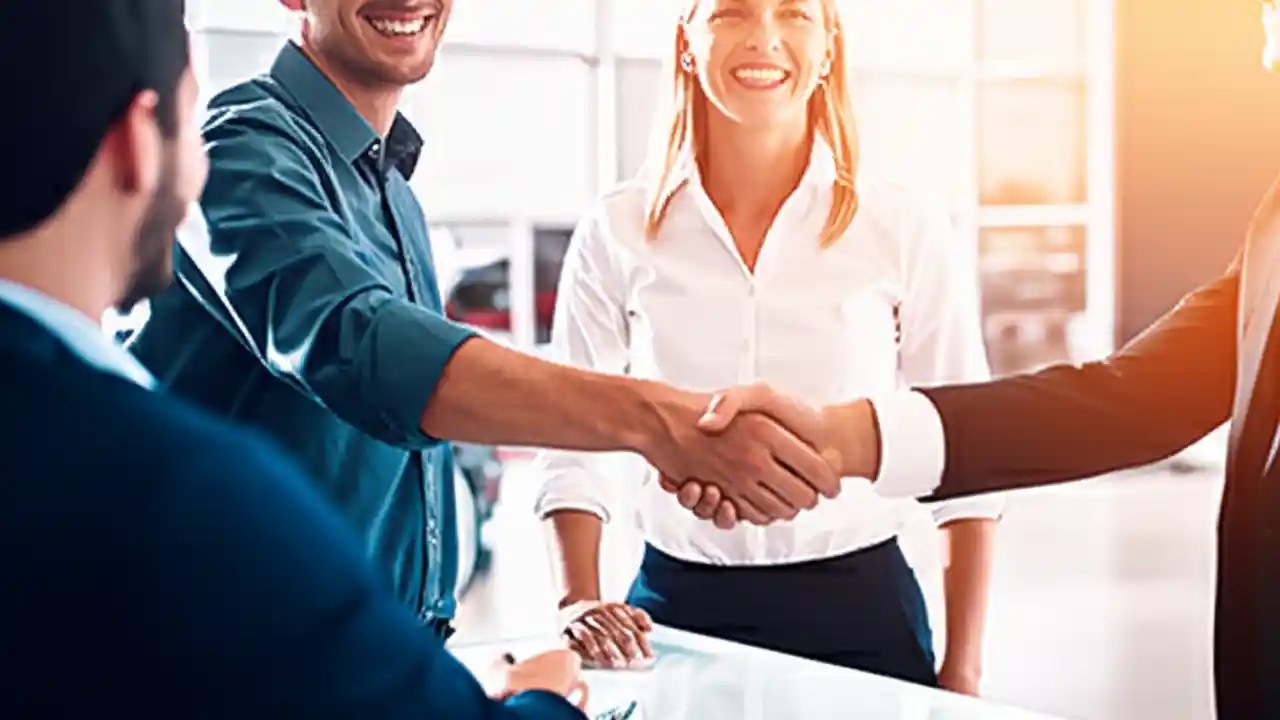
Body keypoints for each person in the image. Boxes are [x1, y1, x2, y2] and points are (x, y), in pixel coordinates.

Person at [126, 0, 841, 639]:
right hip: (242, 666)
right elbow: (364, 350)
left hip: (369, 654)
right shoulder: (243, 150)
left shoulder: (389, 187)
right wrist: (665, 424)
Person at [681, 2, 1280, 716]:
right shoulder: (1275, 227)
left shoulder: (897, 224)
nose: (1264, 43)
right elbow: (1138, 400)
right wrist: (842, 437)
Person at [0, 1, 592, 717]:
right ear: (139, 142)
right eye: (190, 120)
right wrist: (540, 700)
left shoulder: (394, 193)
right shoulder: (192, 490)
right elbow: (360, 345)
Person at [534, 0, 1003, 695]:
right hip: (673, 614)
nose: (763, 38)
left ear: (828, 48)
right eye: (730, 13)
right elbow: (572, 434)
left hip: (864, 615)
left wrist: (962, 674)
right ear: (687, 44)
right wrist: (578, 598)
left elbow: (965, 456)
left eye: (793, 13)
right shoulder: (618, 231)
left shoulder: (901, 226)